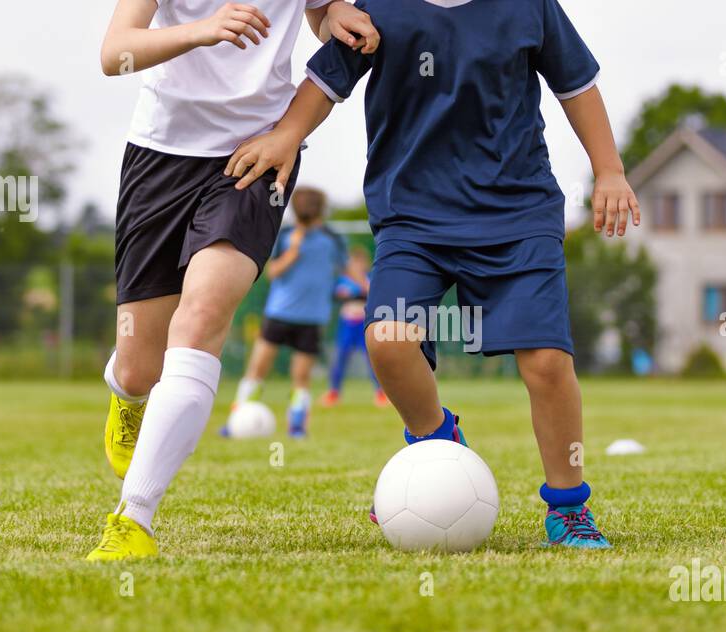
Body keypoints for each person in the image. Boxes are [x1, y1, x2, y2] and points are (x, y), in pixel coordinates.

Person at [225, 0, 640, 548]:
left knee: (546, 362)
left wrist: (609, 169)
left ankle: (568, 507)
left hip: (518, 212)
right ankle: (441, 444)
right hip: (413, 217)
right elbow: (325, 81)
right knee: (388, 340)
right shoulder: (376, 7)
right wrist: (286, 135)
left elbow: (577, 86)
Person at [89, 0, 380, 561]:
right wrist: (201, 31)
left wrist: (333, 16)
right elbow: (114, 54)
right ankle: (128, 397)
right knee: (137, 367)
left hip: (255, 155)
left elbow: (319, 19)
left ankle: (133, 521)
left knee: (199, 322)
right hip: (159, 158)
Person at [231, 187, 347, 437]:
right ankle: (237, 419)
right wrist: (293, 252)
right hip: (279, 314)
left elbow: (347, 269)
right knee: (257, 370)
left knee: (301, 377)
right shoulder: (285, 235)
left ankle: (296, 425)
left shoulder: (333, 239)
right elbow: (272, 273)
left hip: (313, 317)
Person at [323, 246, 388, 407]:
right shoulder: (343, 280)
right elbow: (337, 295)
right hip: (347, 324)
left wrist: (359, 282)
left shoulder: (369, 278)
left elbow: (371, 294)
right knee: (341, 359)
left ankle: (381, 393)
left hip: (364, 324)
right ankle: (334, 392)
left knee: (372, 360)